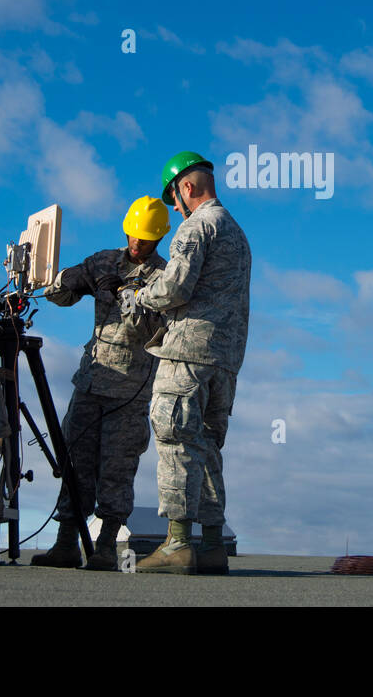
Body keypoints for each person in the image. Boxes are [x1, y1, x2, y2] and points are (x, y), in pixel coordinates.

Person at [30, 195, 169, 570]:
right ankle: (65, 544)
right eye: (133, 236)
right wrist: (67, 282)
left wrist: (121, 294)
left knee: (116, 468)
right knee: (75, 462)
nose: (137, 244)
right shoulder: (105, 260)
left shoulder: (164, 277)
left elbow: (155, 329)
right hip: (91, 381)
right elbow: (57, 296)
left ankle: (106, 545)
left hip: (129, 390)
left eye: (145, 239)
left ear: (159, 238)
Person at [128, 151, 251, 575]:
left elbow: (176, 288)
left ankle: (178, 544)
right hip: (225, 361)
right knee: (206, 448)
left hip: (186, 356)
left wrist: (140, 297)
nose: (176, 210)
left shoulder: (196, 227)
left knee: (176, 441)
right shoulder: (236, 232)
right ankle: (213, 546)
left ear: (186, 188)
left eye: (174, 201)